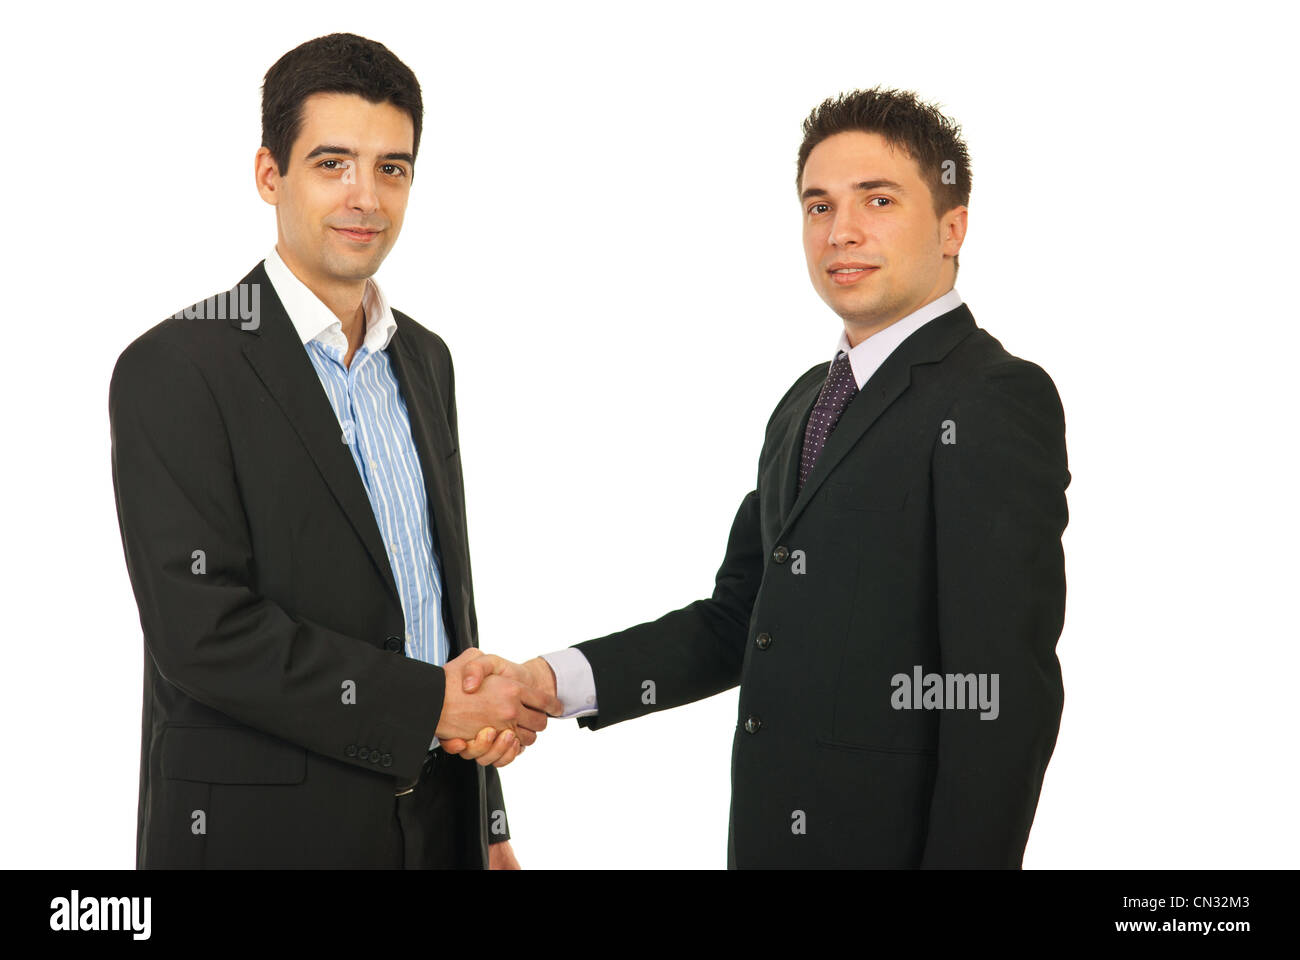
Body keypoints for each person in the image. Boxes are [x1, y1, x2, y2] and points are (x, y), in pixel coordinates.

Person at [444, 87, 1071, 868]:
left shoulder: (993, 396)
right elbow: (737, 623)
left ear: (953, 227)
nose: (841, 231)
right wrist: (547, 681)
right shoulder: (807, 402)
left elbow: (999, 694)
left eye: (878, 200)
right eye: (818, 206)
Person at [109, 32, 560, 869]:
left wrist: (488, 822)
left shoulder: (425, 359)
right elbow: (203, 632)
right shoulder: (175, 366)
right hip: (265, 835)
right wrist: (430, 706)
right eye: (332, 163)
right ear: (269, 175)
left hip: (436, 823)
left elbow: (441, 600)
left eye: (393, 168)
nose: (366, 197)